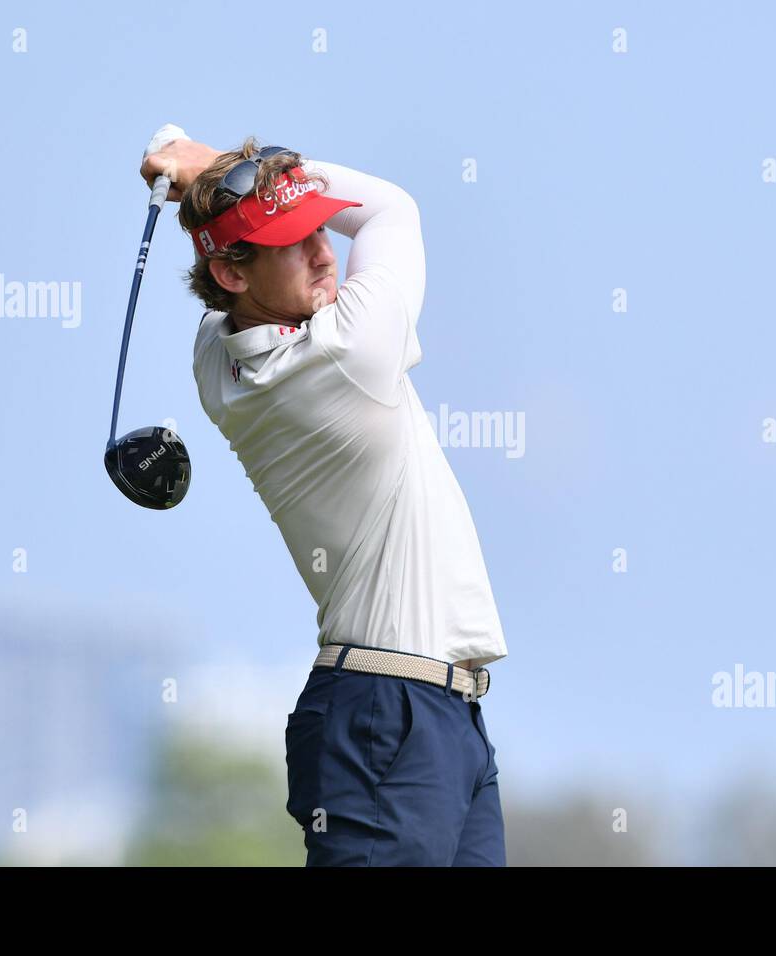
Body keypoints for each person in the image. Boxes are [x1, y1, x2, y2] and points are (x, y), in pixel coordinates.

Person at [139, 136, 509, 866]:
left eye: (316, 227)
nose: (321, 251)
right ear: (229, 272)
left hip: (431, 718)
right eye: (290, 241)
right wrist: (210, 163)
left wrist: (227, 192)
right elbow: (391, 211)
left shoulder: (216, 360)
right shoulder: (350, 351)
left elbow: (228, 307)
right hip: (388, 720)